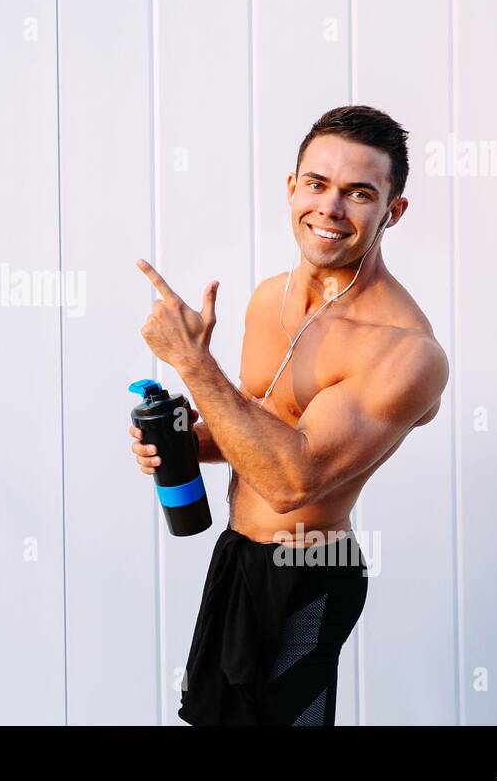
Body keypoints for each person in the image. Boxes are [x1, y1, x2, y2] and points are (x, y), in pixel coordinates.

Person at [130, 105, 449, 725]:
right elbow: (259, 430)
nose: (330, 208)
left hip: (309, 572)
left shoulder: (404, 351)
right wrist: (183, 437)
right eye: (316, 184)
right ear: (291, 188)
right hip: (238, 556)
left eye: (359, 193)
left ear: (393, 211)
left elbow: (292, 481)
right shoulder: (267, 297)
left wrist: (194, 364)